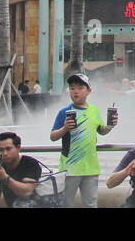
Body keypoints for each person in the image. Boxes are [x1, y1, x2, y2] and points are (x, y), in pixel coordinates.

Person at [50, 72, 116, 207]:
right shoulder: (65, 111)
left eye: (80, 88)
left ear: (89, 91)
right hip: (70, 167)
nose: (75, 92)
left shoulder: (94, 111)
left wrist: (110, 125)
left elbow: (101, 130)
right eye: (72, 88)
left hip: (91, 167)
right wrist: (64, 129)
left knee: (91, 204)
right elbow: (52, 136)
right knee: (65, 204)